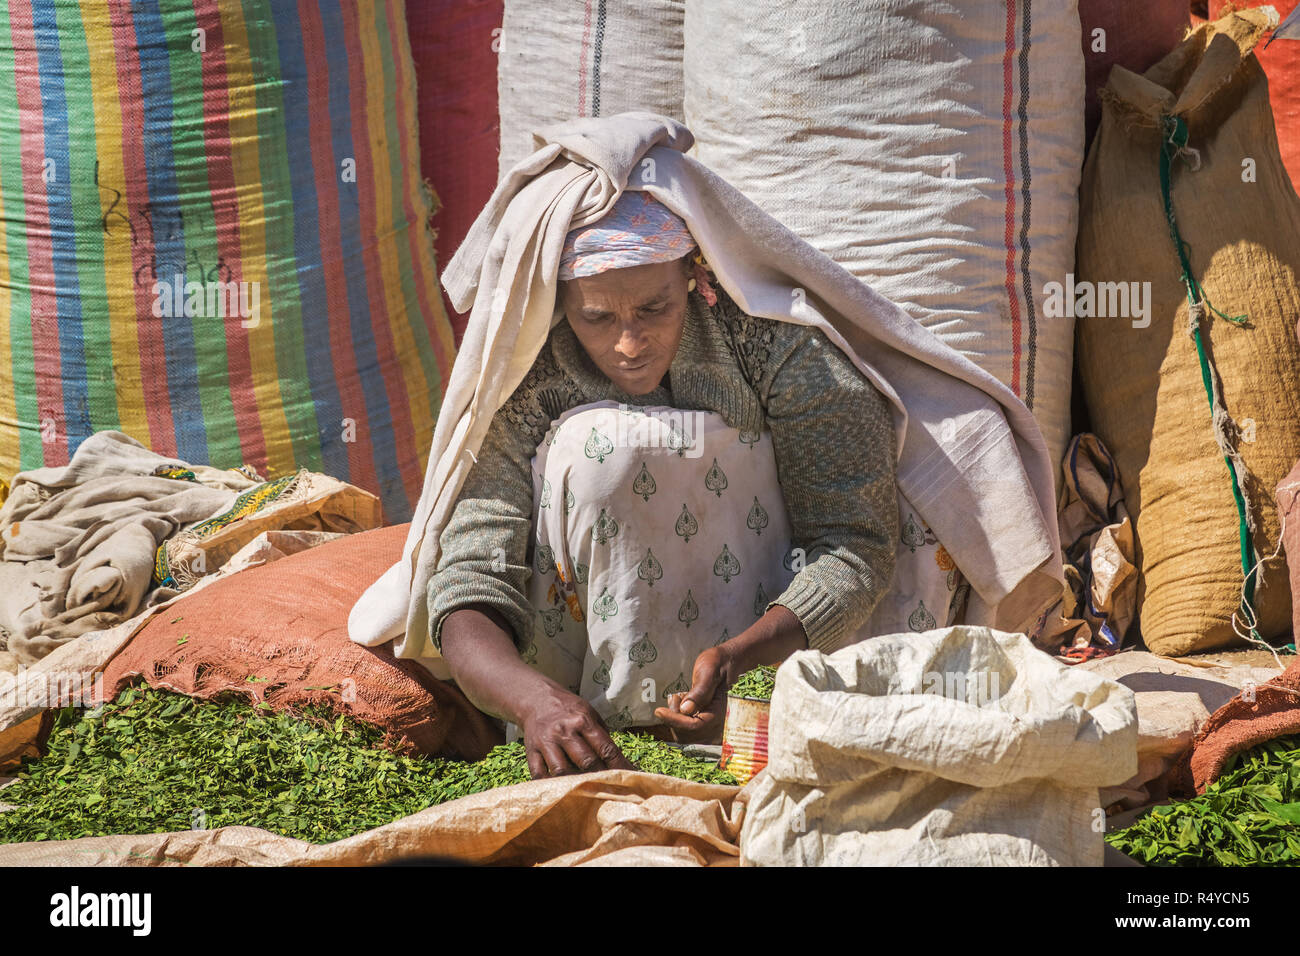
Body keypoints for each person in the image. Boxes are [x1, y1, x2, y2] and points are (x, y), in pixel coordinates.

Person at [428, 190, 900, 779]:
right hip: (573, 678)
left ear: (696, 275)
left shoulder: (779, 347)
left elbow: (856, 542)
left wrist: (741, 657)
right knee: (600, 448)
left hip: (766, 644)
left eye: (655, 308)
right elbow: (472, 575)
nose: (628, 345)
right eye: (596, 317)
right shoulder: (529, 374)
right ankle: (595, 727)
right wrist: (534, 702)